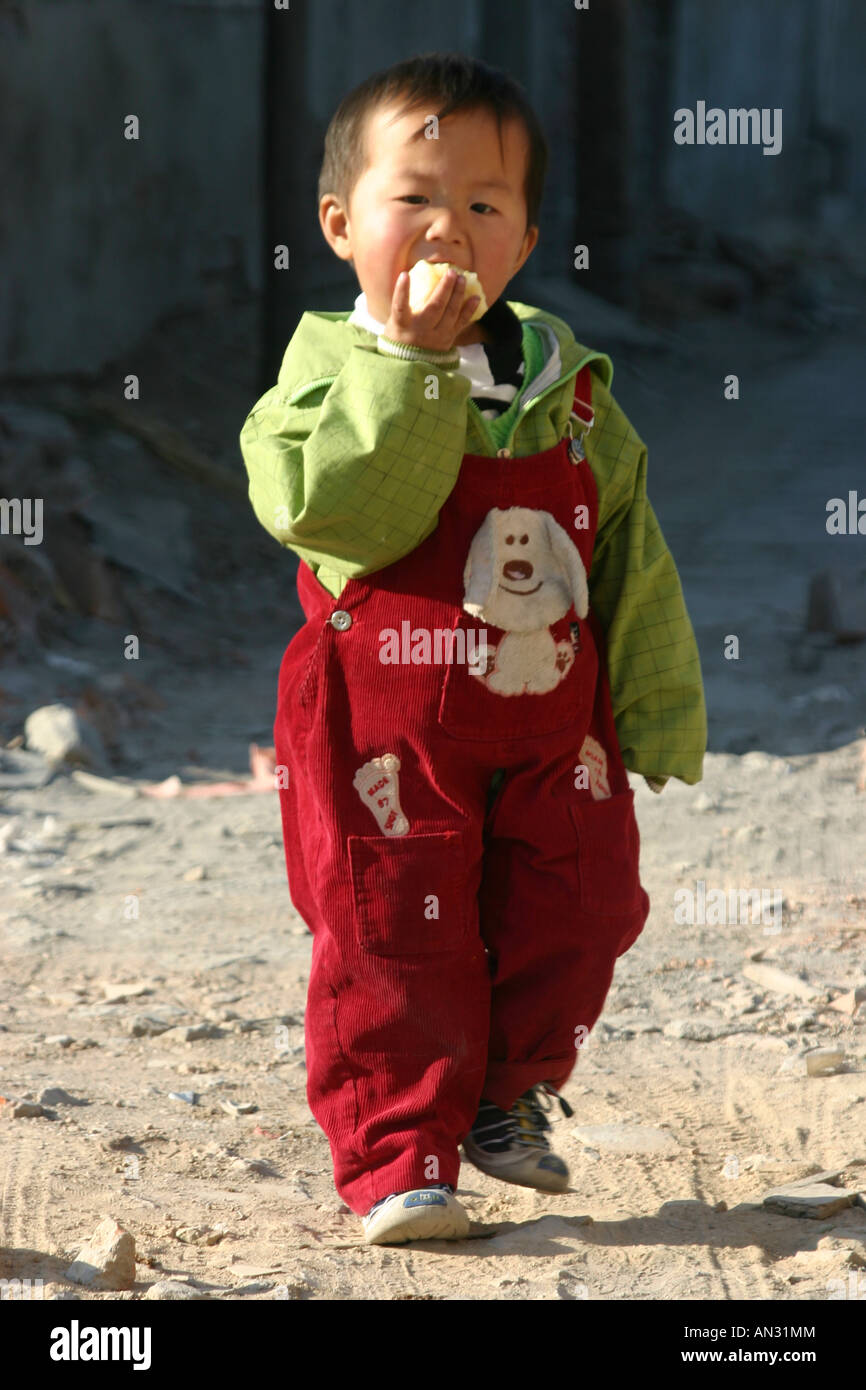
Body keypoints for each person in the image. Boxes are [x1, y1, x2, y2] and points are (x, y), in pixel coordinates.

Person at [239, 51, 706, 1246]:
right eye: (416, 199)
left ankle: (510, 1093)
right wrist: (407, 367)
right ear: (342, 225)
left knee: (585, 901)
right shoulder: (322, 372)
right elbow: (339, 507)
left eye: (484, 205)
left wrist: (651, 706)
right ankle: (401, 1153)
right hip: (385, 735)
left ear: (525, 243)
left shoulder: (566, 386)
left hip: (553, 718)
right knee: (396, 925)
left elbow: (625, 551)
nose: (449, 229)